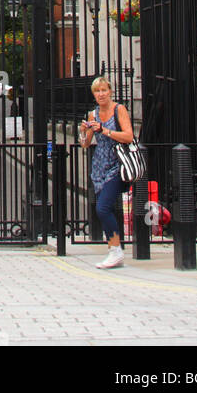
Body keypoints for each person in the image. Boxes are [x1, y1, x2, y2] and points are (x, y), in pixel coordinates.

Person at [79, 75, 133, 270]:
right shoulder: (93, 114)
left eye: (104, 90)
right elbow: (85, 144)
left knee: (102, 208)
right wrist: (83, 130)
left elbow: (128, 136)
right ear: (94, 95)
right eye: (97, 91)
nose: (101, 94)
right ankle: (114, 248)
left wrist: (105, 131)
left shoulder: (119, 110)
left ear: (110, 91)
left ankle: (116, 250)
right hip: (99, 166)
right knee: (106, 209)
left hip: (117, 165)